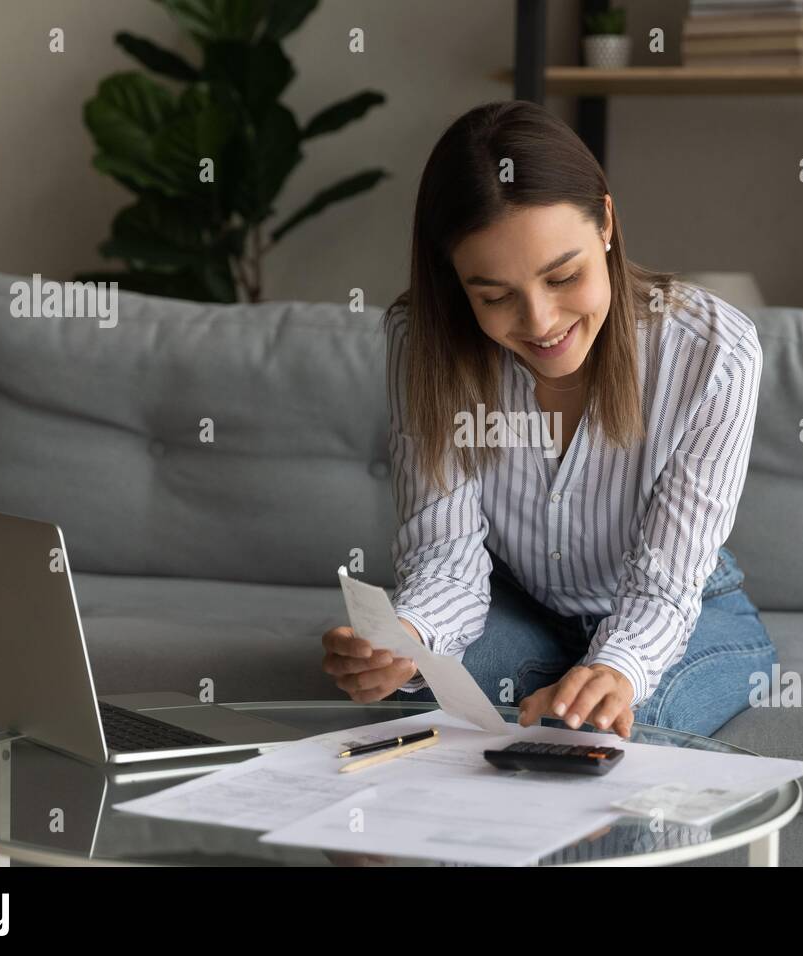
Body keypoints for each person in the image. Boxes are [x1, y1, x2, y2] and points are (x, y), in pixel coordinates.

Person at [321, 100, 775, 739]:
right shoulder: (421, 342)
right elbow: (447, 558)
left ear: (607, 223)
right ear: (455, 282)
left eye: (564, 276)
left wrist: (615, 668)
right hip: (519, 606)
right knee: (420, 715)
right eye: (495, 296)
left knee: (603, 738)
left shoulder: (712, 350)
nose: (539, 323)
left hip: (689, 608)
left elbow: (664, 587)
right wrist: (405, 639)